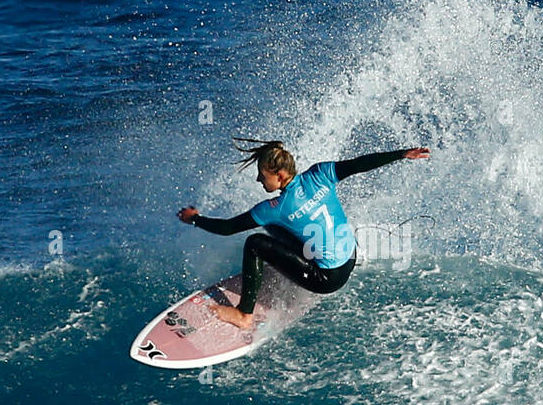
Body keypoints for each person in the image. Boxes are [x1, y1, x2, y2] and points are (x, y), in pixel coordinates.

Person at [178, 138, 430, 330]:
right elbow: (358, 165)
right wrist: (401, 154)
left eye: (262, 176)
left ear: (279, 176)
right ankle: (299, 262)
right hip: (351, 257)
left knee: (255, 242)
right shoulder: (321, 174)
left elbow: (227, 228)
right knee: (275, 228)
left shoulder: (274, 208)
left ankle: (244, 314)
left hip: (327, 279)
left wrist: (195, 219)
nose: (258, 180)